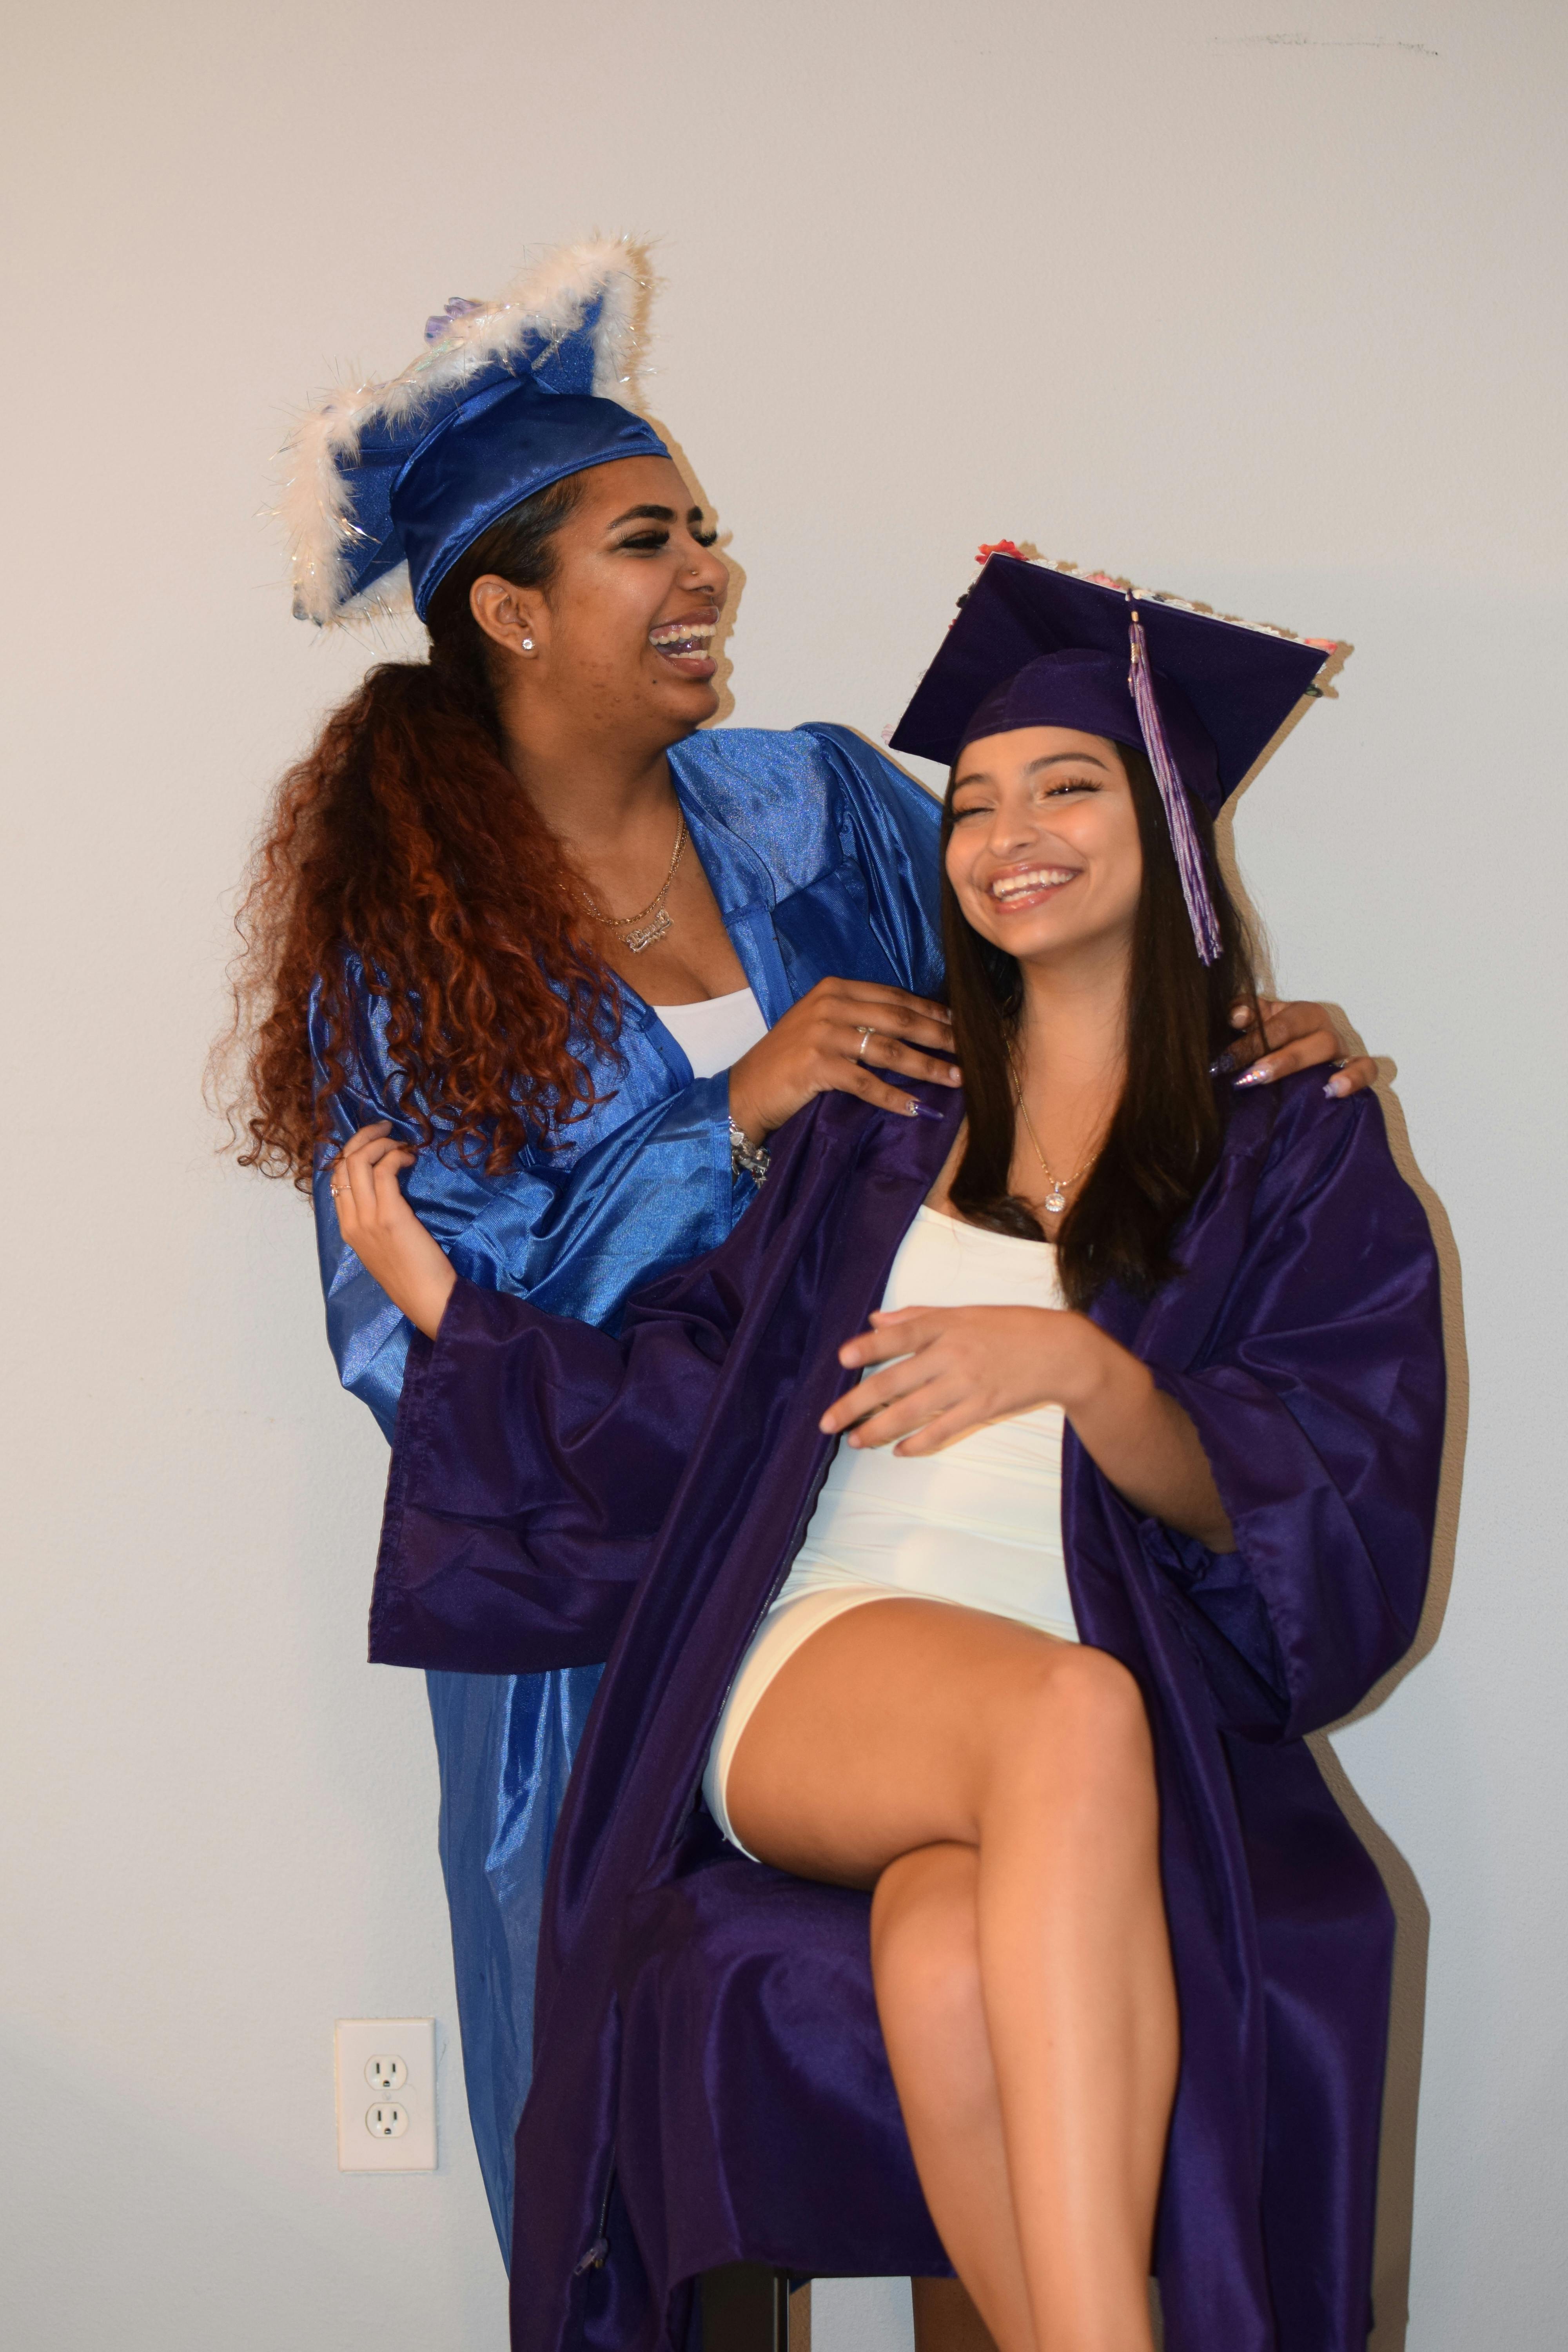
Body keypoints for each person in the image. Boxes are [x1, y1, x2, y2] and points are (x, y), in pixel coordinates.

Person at [224, 238, 1381, 2308]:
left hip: (906, 1516)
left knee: (981, 1935)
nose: (712, 581)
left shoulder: (809, 803)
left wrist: (1257, 1032)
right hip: (627, 1585)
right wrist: (724, 1116)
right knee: (620, 2153)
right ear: (512, 611)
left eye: (709, 534)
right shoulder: (412, 960)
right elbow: (430, 1349)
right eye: (651, 543)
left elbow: (1056, 898)